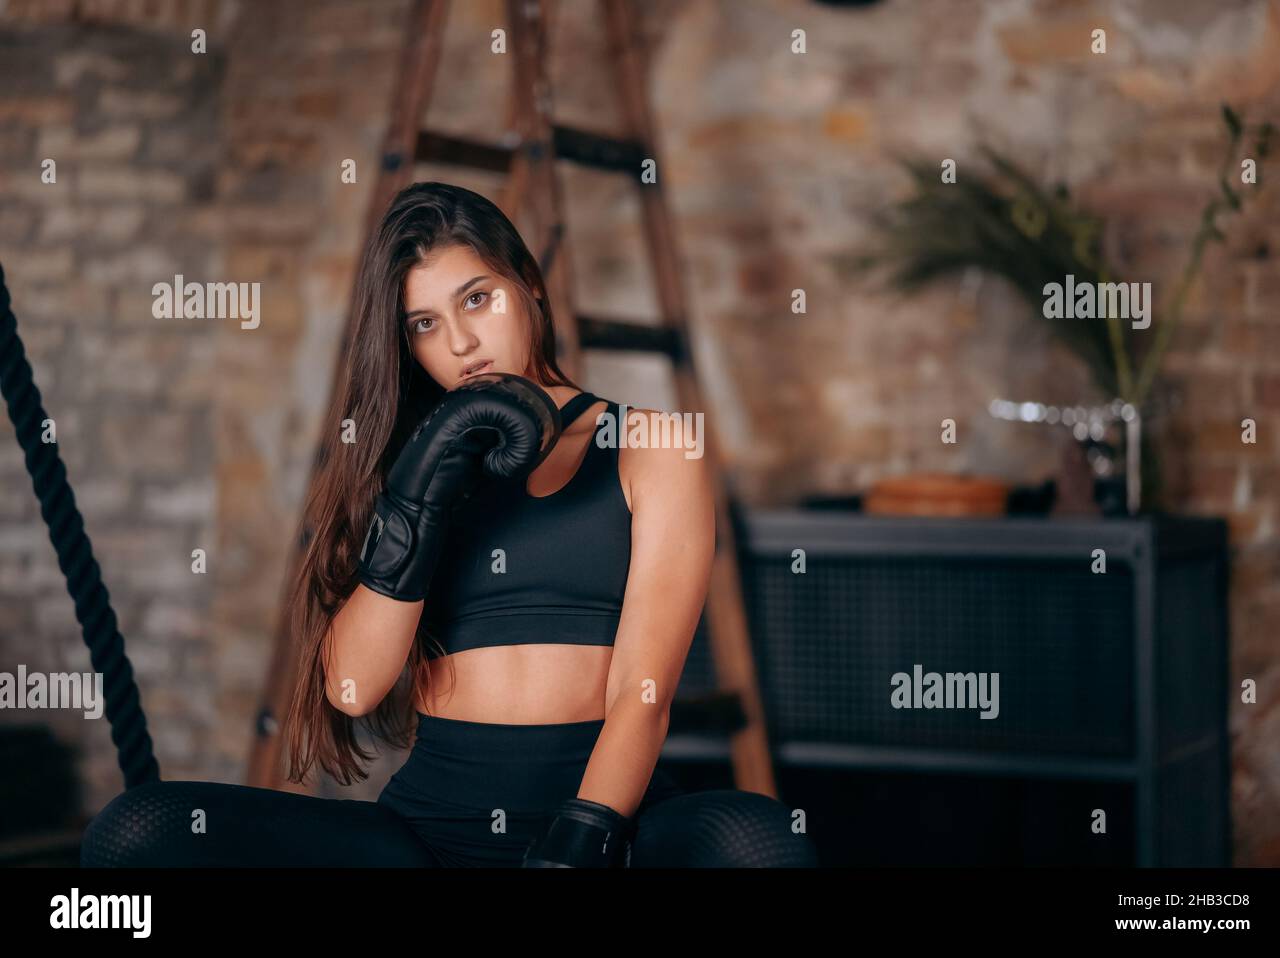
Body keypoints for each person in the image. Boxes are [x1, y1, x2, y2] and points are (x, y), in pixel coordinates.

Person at [80, 182, 817, 868]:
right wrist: (416, 498)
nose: (461, 343)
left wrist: (583, 835)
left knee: (761, 842)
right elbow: (351, 690)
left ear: (528, 280)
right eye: (425, 324)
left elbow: (642, 689)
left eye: (478, 298)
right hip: (427, 836)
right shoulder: (410, 463)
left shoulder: (655, 446)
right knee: (138, 833)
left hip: (602, 824)